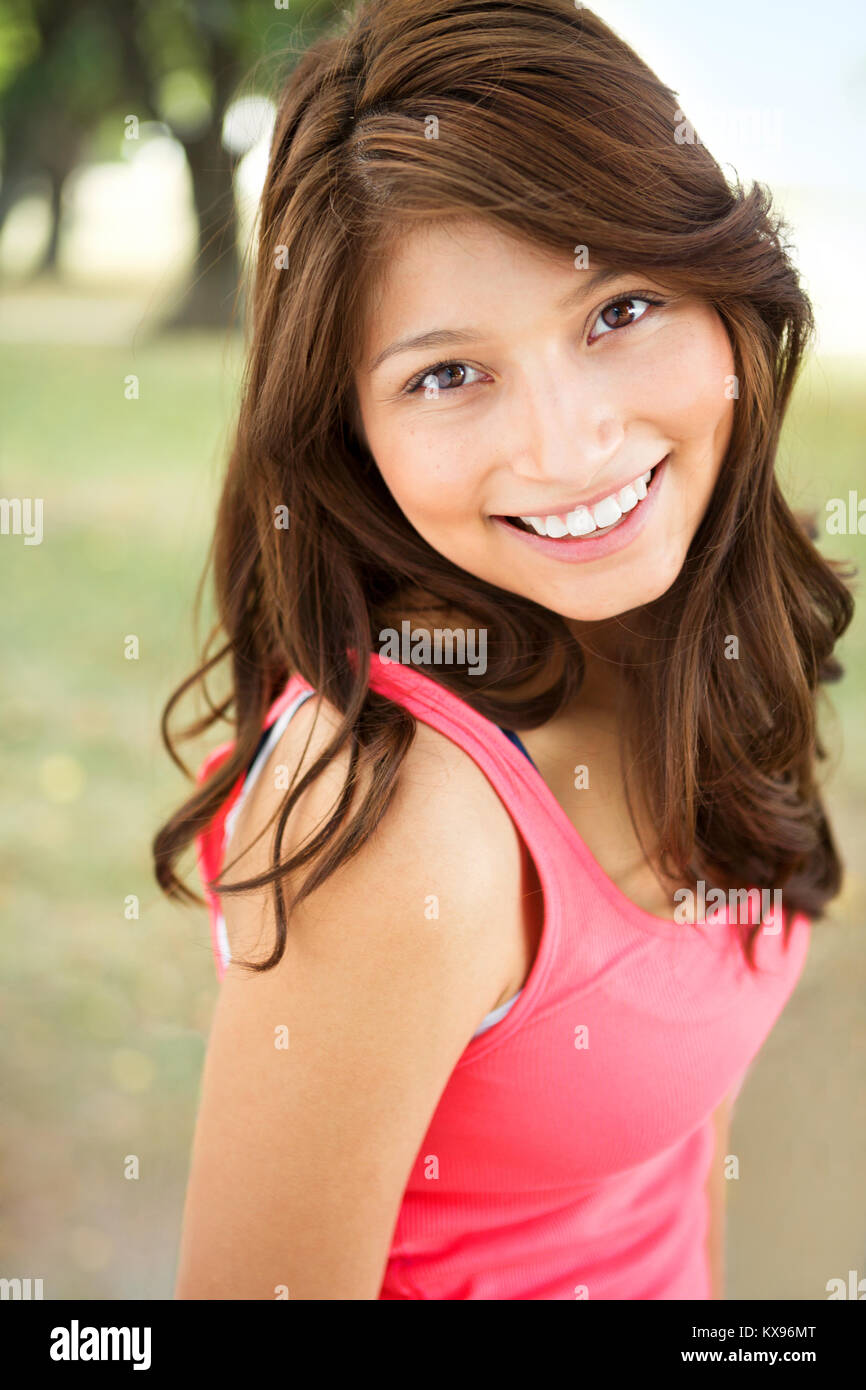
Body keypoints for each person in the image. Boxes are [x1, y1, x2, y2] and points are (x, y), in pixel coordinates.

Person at [154, 0, 853, 1300]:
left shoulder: (690, 640)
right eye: (444, 375)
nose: (566, 446)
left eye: (619, 307)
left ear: (722, 282)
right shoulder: (399, 810)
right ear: (348, 430)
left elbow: (663, 1164)